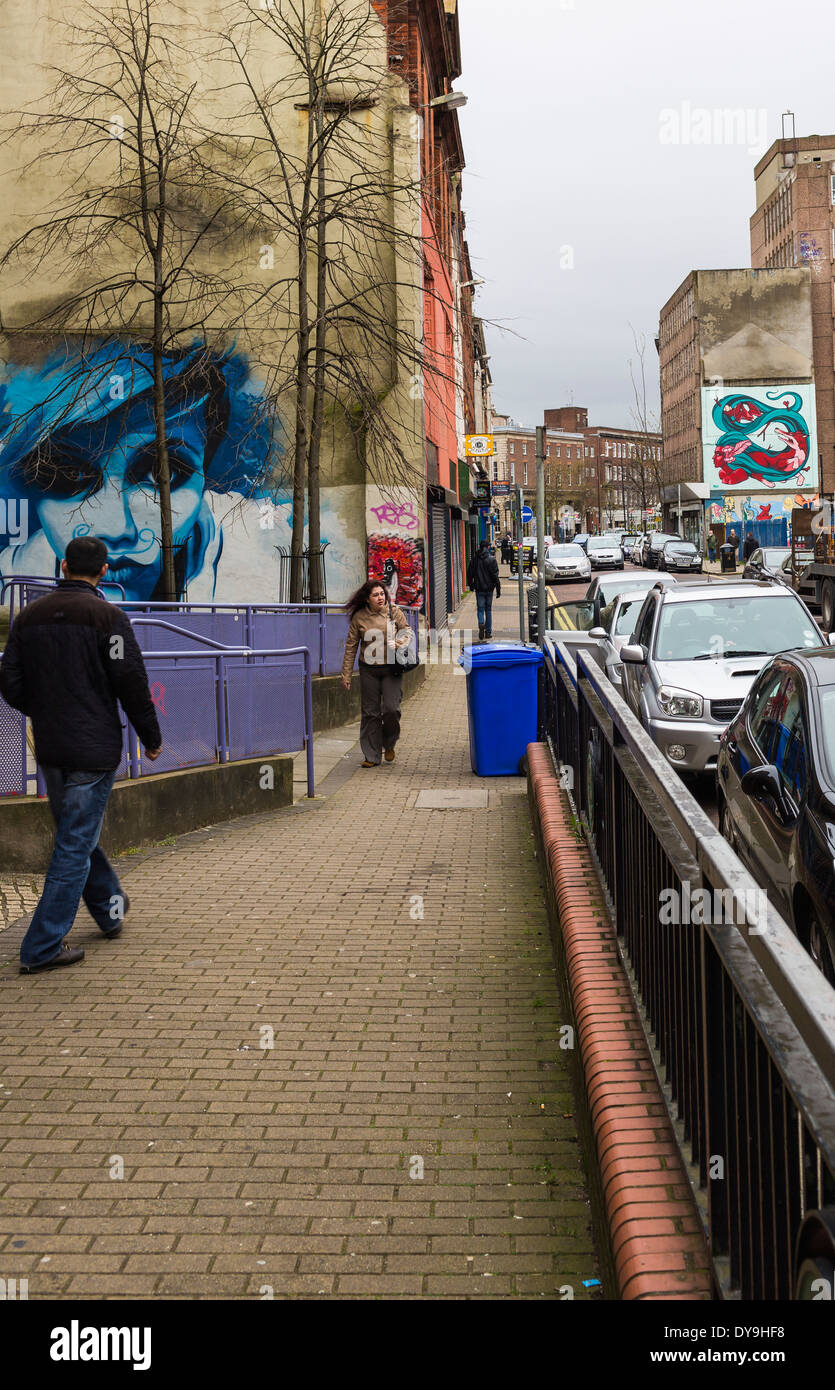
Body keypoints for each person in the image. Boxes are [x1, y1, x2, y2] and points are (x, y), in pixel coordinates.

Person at [0, 536, 162, 973]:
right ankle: (41, 947)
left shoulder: (29, 617)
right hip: (93, 748)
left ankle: (111, 908)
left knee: (77, 835)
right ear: (104, 571)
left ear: (64, 565)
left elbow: (9, 679)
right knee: (74, 843)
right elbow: (129, 679)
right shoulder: (108, 618)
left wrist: (43, 709)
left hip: (52, 745)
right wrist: (150, 736)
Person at [341, 579, 412, 768]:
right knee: (370, 713)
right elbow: (351, 647)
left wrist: (399, 642)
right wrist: (346, 674)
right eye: (375, 595)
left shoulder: (393, 612)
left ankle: (389, 743)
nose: (380, 598)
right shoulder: (359, 617)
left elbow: (407, 632)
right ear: (367, 599)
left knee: (391, 710)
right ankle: (371, 755)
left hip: (391, 669)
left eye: (382, 594)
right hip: (368, 669)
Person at [467, 537, 501, 641]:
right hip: (489, 589)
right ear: (488, 547)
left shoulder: (474, 559)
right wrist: (498, 589)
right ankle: (488, 632)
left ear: (480, 547)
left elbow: (469, 574)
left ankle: (481, 624)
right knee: (488, 610)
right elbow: (495, 576)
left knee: (480, 609)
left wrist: (471, 585)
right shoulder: (492, 560)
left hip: (479, 589)